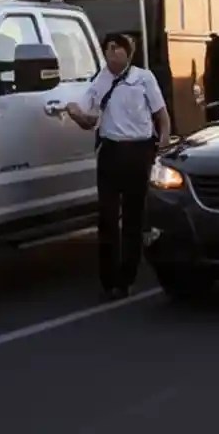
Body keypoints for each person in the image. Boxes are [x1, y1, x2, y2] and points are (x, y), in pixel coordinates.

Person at [66, 32, 171, 300]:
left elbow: (162, 116)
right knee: (108, 216)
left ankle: (128, 276)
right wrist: (75, 113)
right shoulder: (100, 80)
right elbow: (88, 117)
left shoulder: (143, 78)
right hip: (111, 152)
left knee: (133, 216)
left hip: (138, 151)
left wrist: (163, 144)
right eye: (108, 48)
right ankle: (108, 278)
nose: (112, 53)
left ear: (128, 53)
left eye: (117, 48)